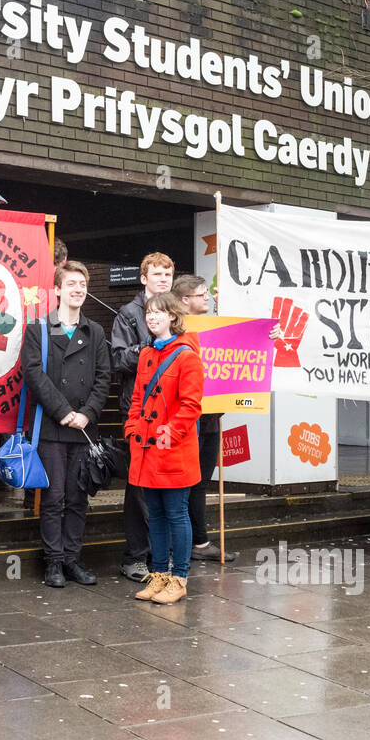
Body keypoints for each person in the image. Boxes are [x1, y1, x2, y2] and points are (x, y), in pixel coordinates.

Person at [19, 261, 111, 588]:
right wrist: (63, 411)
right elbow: (34, 374)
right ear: (57, 289)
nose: (78, 289)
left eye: (82, 284)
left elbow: (103, 378)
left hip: (84, 429)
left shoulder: (95, 331)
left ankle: (72, 559)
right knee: (54, 496)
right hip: (52, 427)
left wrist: (87, 413)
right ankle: (53, 562)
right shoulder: (40, 329)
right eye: (71, 283)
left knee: (77, 498)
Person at [126, 292, 203, 606]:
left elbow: (191, 405)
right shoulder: (146, 354)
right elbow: (136, 399)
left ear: (173, 315)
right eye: (148, 313)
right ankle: (158, 574)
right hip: (146, 449)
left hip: (173, 450)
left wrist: (169, 434)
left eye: (158, 312)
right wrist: (132, 429)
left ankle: (179, 578)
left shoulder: (187, 355)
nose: (152, 318)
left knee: (176, 514)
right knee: (155, 516)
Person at [110, 251, 174, 581]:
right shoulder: (129, 314)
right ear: (143, 278)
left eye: (168, 274)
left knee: (165, 482)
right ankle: (134, 557)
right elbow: (119, 359)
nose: (163, 279)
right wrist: (151, 345)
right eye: (157, 274)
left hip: (170, 411)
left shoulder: (176, 312)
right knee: (138, 483)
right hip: (137, 409)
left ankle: (159, 555)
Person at [173, 273, 232, 563]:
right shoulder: (177, 330)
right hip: (186, 417)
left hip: (211, 416)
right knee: (187, 481)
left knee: (201, 481)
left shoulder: (211, 326)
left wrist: (225, 307)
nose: (206, 297)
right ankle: (189, 541)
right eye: (201, 293)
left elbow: (235, 341)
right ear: (185, 300)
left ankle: (199, 541)